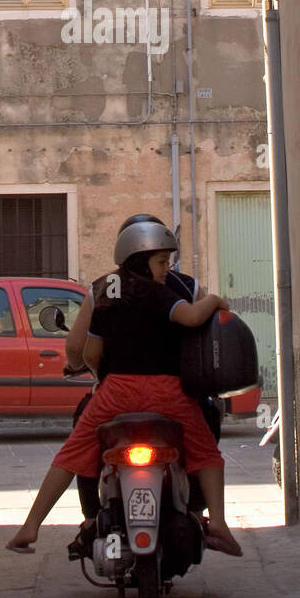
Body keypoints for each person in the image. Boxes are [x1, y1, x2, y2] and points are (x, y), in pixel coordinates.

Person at [6, 219, 243, 557]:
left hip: (115, 392)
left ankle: (31, 527)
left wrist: (98, 373)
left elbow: (89, 352)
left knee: (72, 453)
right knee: (206, 453)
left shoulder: (104, 291)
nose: (166, 269)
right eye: (161, 262)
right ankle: (217, 523)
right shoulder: (164, 291)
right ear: (140, 259)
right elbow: (191, 318)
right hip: (169, 393)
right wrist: (216, 300)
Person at [64, 215, 220, 546]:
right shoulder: (187, 288)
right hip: (176, 394)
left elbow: (80, 350)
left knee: (82, 430)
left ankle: (92, 516)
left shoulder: (104, 289)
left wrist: (86, 370)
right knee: (208, 422)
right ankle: (196, 507)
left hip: (118, 391)